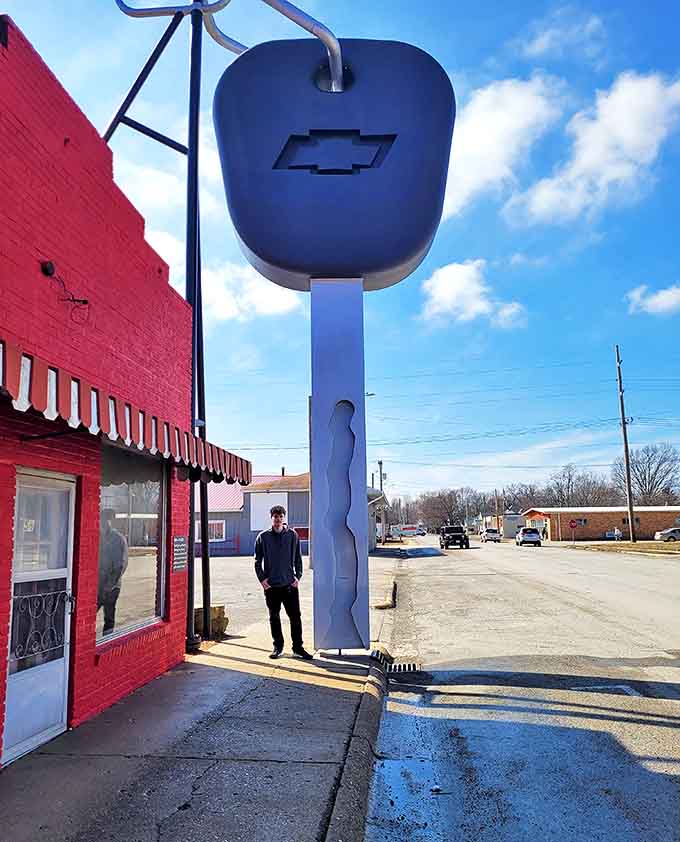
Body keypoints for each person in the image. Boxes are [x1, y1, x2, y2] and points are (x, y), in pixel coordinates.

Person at [255, 505, 312, 660]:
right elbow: (257, 561)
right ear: (271, 518)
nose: (278, 519)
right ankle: (277, 647)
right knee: (274, 617)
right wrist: (262, 580)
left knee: (295, 617)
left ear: (284, 518)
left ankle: (298, 648)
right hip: (271, 587)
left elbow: (298, 559)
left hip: (289, 586)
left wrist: (297, 577)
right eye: (275, 516)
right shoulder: (263, 537)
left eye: (280, 516)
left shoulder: (292, 535)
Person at [97, 508, 128, 635]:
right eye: (102, 519)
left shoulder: (118, 539)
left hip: (111, 587)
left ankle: (106, 641)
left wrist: (110, 585)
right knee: (86, 614)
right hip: (98, 584)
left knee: (108, 618)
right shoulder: (99, 536)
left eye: (106, 519)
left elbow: (120, 565)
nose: (103, 522)